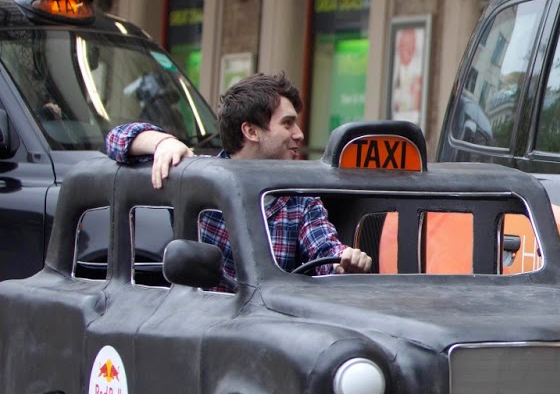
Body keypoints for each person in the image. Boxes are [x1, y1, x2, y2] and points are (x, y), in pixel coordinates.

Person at [104, 72, 371, 283]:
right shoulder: (200, 178)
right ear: (251, 131)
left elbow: (325, 250)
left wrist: (342, 263)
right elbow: (116, 138)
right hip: (205, 323)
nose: (299, 134)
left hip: (271, 322)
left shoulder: (300, 198)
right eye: (287, 123)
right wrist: (164, 143)